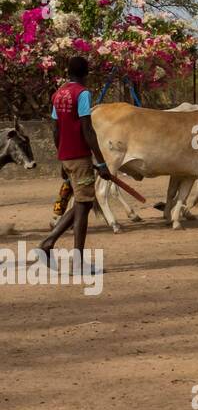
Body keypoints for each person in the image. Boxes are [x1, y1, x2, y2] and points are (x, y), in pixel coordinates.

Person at [39, 55, 109, 261]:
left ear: (68, 72)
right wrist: (102, 163)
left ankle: (49, 242)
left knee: (83, 203)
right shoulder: (82, 94)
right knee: (83, 206)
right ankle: (77, 261)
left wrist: (61, 157)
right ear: (86, 74)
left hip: (67, 157)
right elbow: (87, 129)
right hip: (80, 158)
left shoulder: (58, 94)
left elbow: (55, 130)